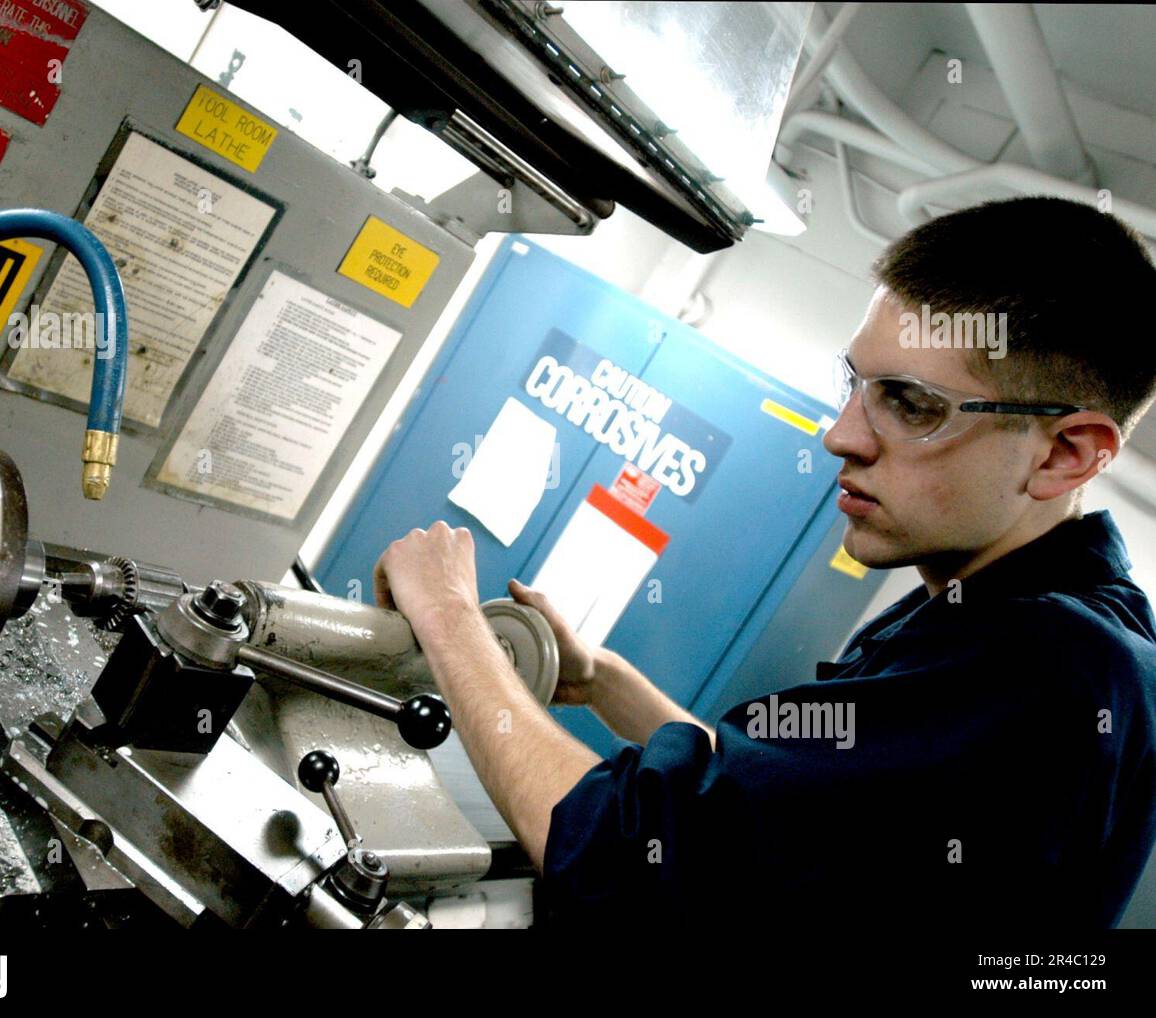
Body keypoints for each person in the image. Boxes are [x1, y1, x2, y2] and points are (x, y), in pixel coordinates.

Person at [371, 197, 1156, 928]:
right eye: (858, 386)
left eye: (911, 404)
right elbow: (776, 816)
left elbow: (619, 857)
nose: (841, 436)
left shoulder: (1048, 667)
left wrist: (448, 617)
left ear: (1064, 455)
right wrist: (603, 680)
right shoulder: (1031, 618)